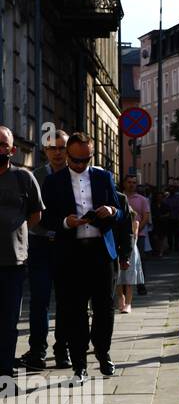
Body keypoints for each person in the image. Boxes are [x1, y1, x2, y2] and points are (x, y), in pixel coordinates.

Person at [40, 132, 125, 384]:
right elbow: (45, 218)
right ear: (67, 155)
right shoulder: (53, 182)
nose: (80, 165)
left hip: (101, 251)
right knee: (74, 309)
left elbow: (121, 213)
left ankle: (103, 352)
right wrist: (66, 222)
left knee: (104, 307)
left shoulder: (103, 177)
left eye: (85, 160)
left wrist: (111, 210)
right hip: (71, 253)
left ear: (91, 155)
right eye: (75, 160)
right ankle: (79, 364)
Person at [17, 130, 69, 371]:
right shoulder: (35, 176)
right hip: (40, 247)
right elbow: (27, 214)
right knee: (39, 300)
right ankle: (37, 350)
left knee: (67, 300)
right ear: (45, 151)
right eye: (52, 148)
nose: (57, 153)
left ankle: (63, 349)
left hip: (68, 247)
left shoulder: (74, 176)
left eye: (62, 147)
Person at [0, 126, 44, 384]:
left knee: (8, 322)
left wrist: (16, 232)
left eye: (3, 145)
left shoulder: (24, 178)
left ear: (12, 150)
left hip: (13, 263)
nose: (0, 149)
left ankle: (5, 373)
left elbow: (36, 214)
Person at [116, 197, 143, 313]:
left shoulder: (135, 223)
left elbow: (133, 236)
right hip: (118, 250)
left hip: (131, 252)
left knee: (129, 279)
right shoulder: (118, 224)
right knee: (117, 277)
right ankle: (121, 298)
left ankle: (128, 303)